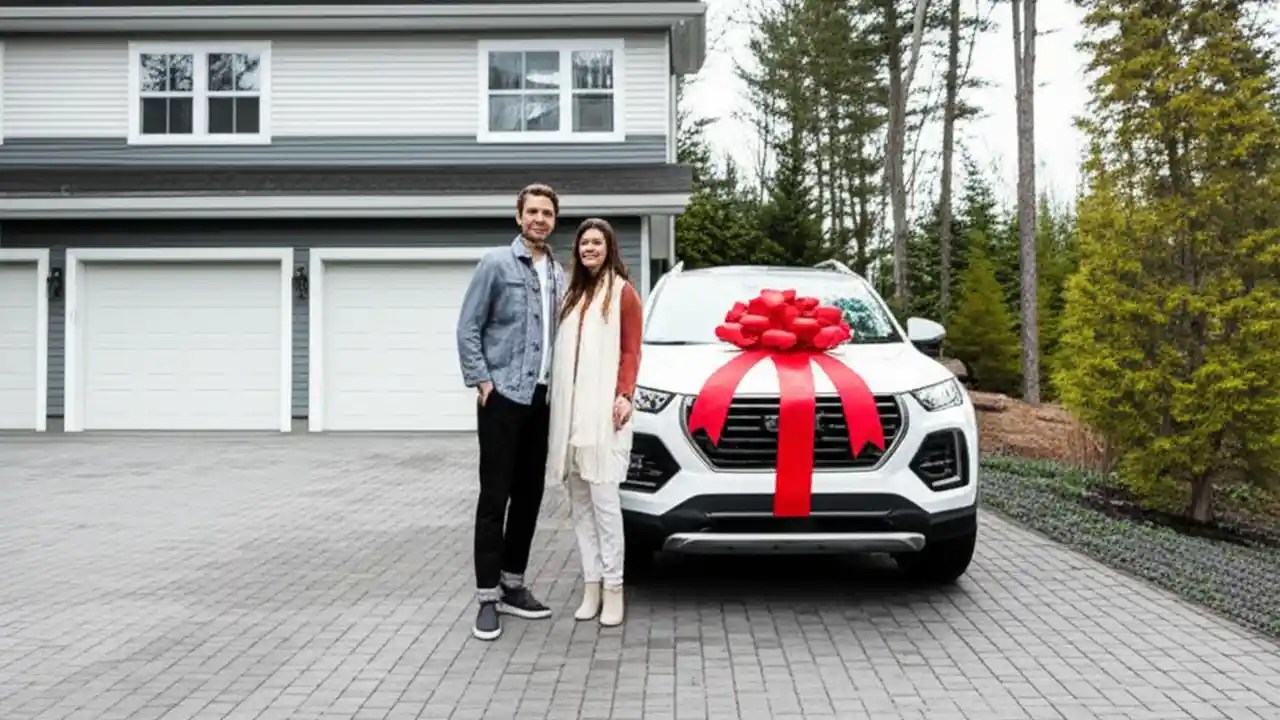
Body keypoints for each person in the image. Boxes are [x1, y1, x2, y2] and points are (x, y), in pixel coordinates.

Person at [456, 183, 566, 641]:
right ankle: (487, 597)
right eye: (532, 211)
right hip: (503, 397)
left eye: (547, 212)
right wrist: (483, 381)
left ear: (554, 220)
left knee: (529, 495)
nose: (539, 219)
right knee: (494, 496)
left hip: (542, 399)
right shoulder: (495, 264)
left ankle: (513, 583)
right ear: (519, 216)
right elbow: (468, 327)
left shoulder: (560, 274)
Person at [544, 218, 643, 628]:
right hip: (571, 418)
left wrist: (624, 394)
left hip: (603, 415)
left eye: (597, 242)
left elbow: (631, 351)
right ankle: (591, 585)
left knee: (605, 507)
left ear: (609, 247)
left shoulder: (623, 294)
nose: (589, 248)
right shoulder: (571, 296)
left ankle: (614, 588)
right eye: (584, 242)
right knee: (580, 508)